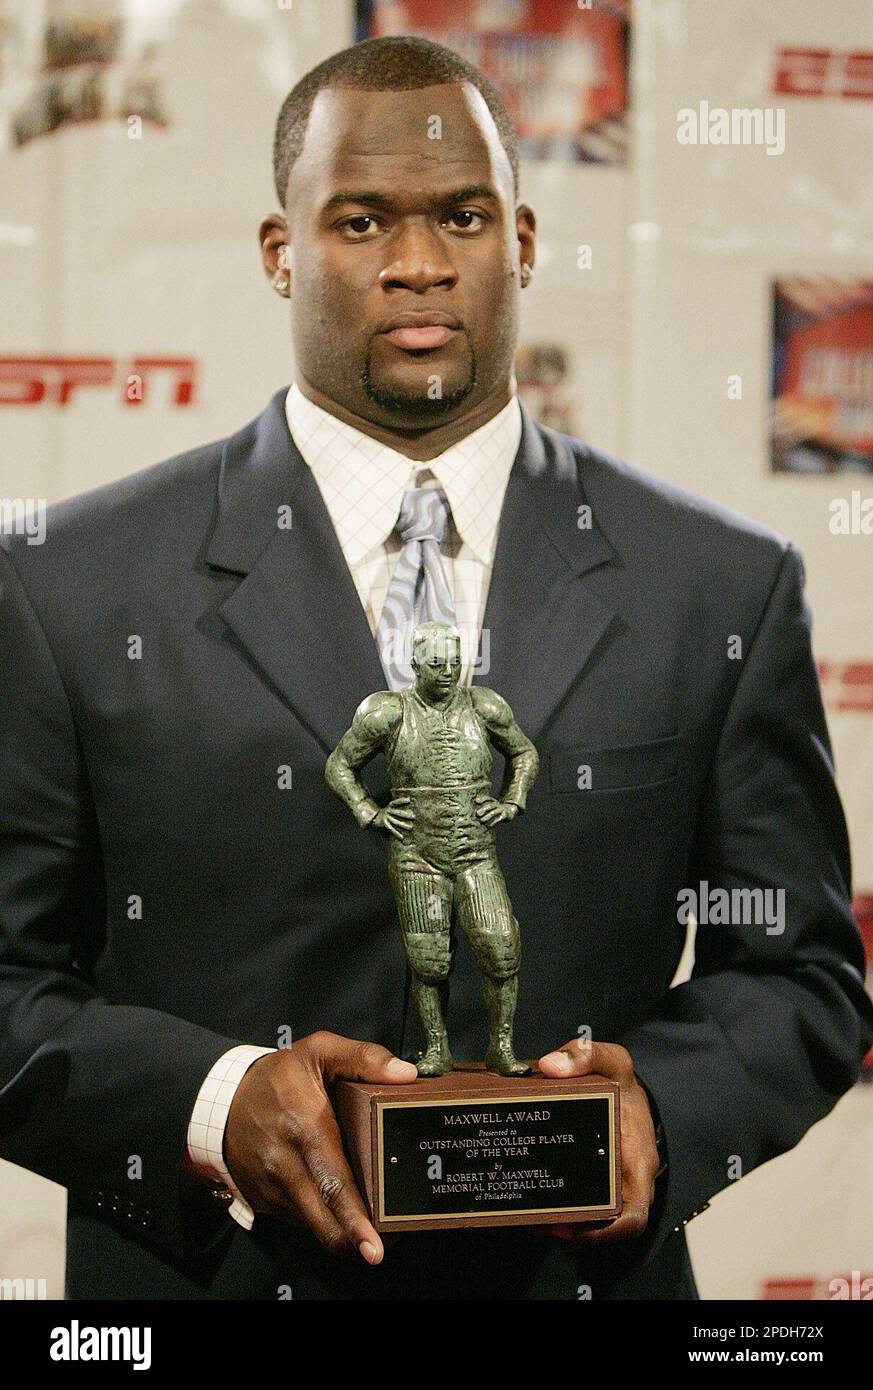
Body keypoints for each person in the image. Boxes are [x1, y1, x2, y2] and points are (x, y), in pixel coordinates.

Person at [1, 35, 870, 1301]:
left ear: (518, 241)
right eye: (361, 220)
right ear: (280, 250)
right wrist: (212, 1102)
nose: (418, 262)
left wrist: (664, 1117)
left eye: (461, 215)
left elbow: (803, 976)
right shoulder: (67, 585)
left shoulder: (719, 585)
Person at [325, 620, 539, 1078]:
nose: (447, 672)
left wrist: (511, 800)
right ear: (415, 663)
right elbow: (340, 764)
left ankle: (500, 1046)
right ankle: (436, 1047)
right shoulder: (388, 711)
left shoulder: (484, 705)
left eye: (455, 662)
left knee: (502, 947)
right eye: (436, 663)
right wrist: (369, 811)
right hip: (416, 853)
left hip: (476, 849)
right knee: (429, 958)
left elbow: (523, 752)